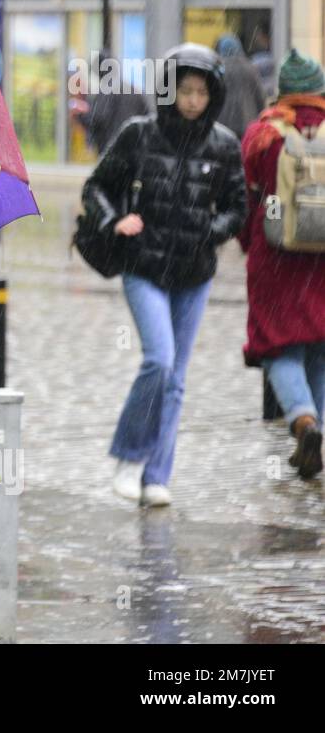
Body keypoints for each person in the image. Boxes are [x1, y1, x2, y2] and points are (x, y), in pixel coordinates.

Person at [84, 43, 247, 508]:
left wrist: (210, 231)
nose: (193, 100)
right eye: (185, 90)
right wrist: (114, 220)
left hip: (195, 274)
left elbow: (238, 207)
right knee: (159, 359)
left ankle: (157, 476)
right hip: (144, 267)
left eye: (201, 92)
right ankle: (129, 457)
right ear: (169, 90)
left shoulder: (224, 145)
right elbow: (97, 187)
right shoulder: (138, 135)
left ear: (212, 95)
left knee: (176, 378)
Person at [238, 49, 325, 480]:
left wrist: (247, 242)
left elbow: (251, 199)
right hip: (322, 262)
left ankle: (304, 421)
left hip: (276, 258)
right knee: (320, 347)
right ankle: (317, 432)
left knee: (277, 347)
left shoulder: (263, 135)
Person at [215, 34, 267, 139]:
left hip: (223, 125)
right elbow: (260, 98)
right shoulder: (250, 67)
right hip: (248, 124)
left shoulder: (219, 69)